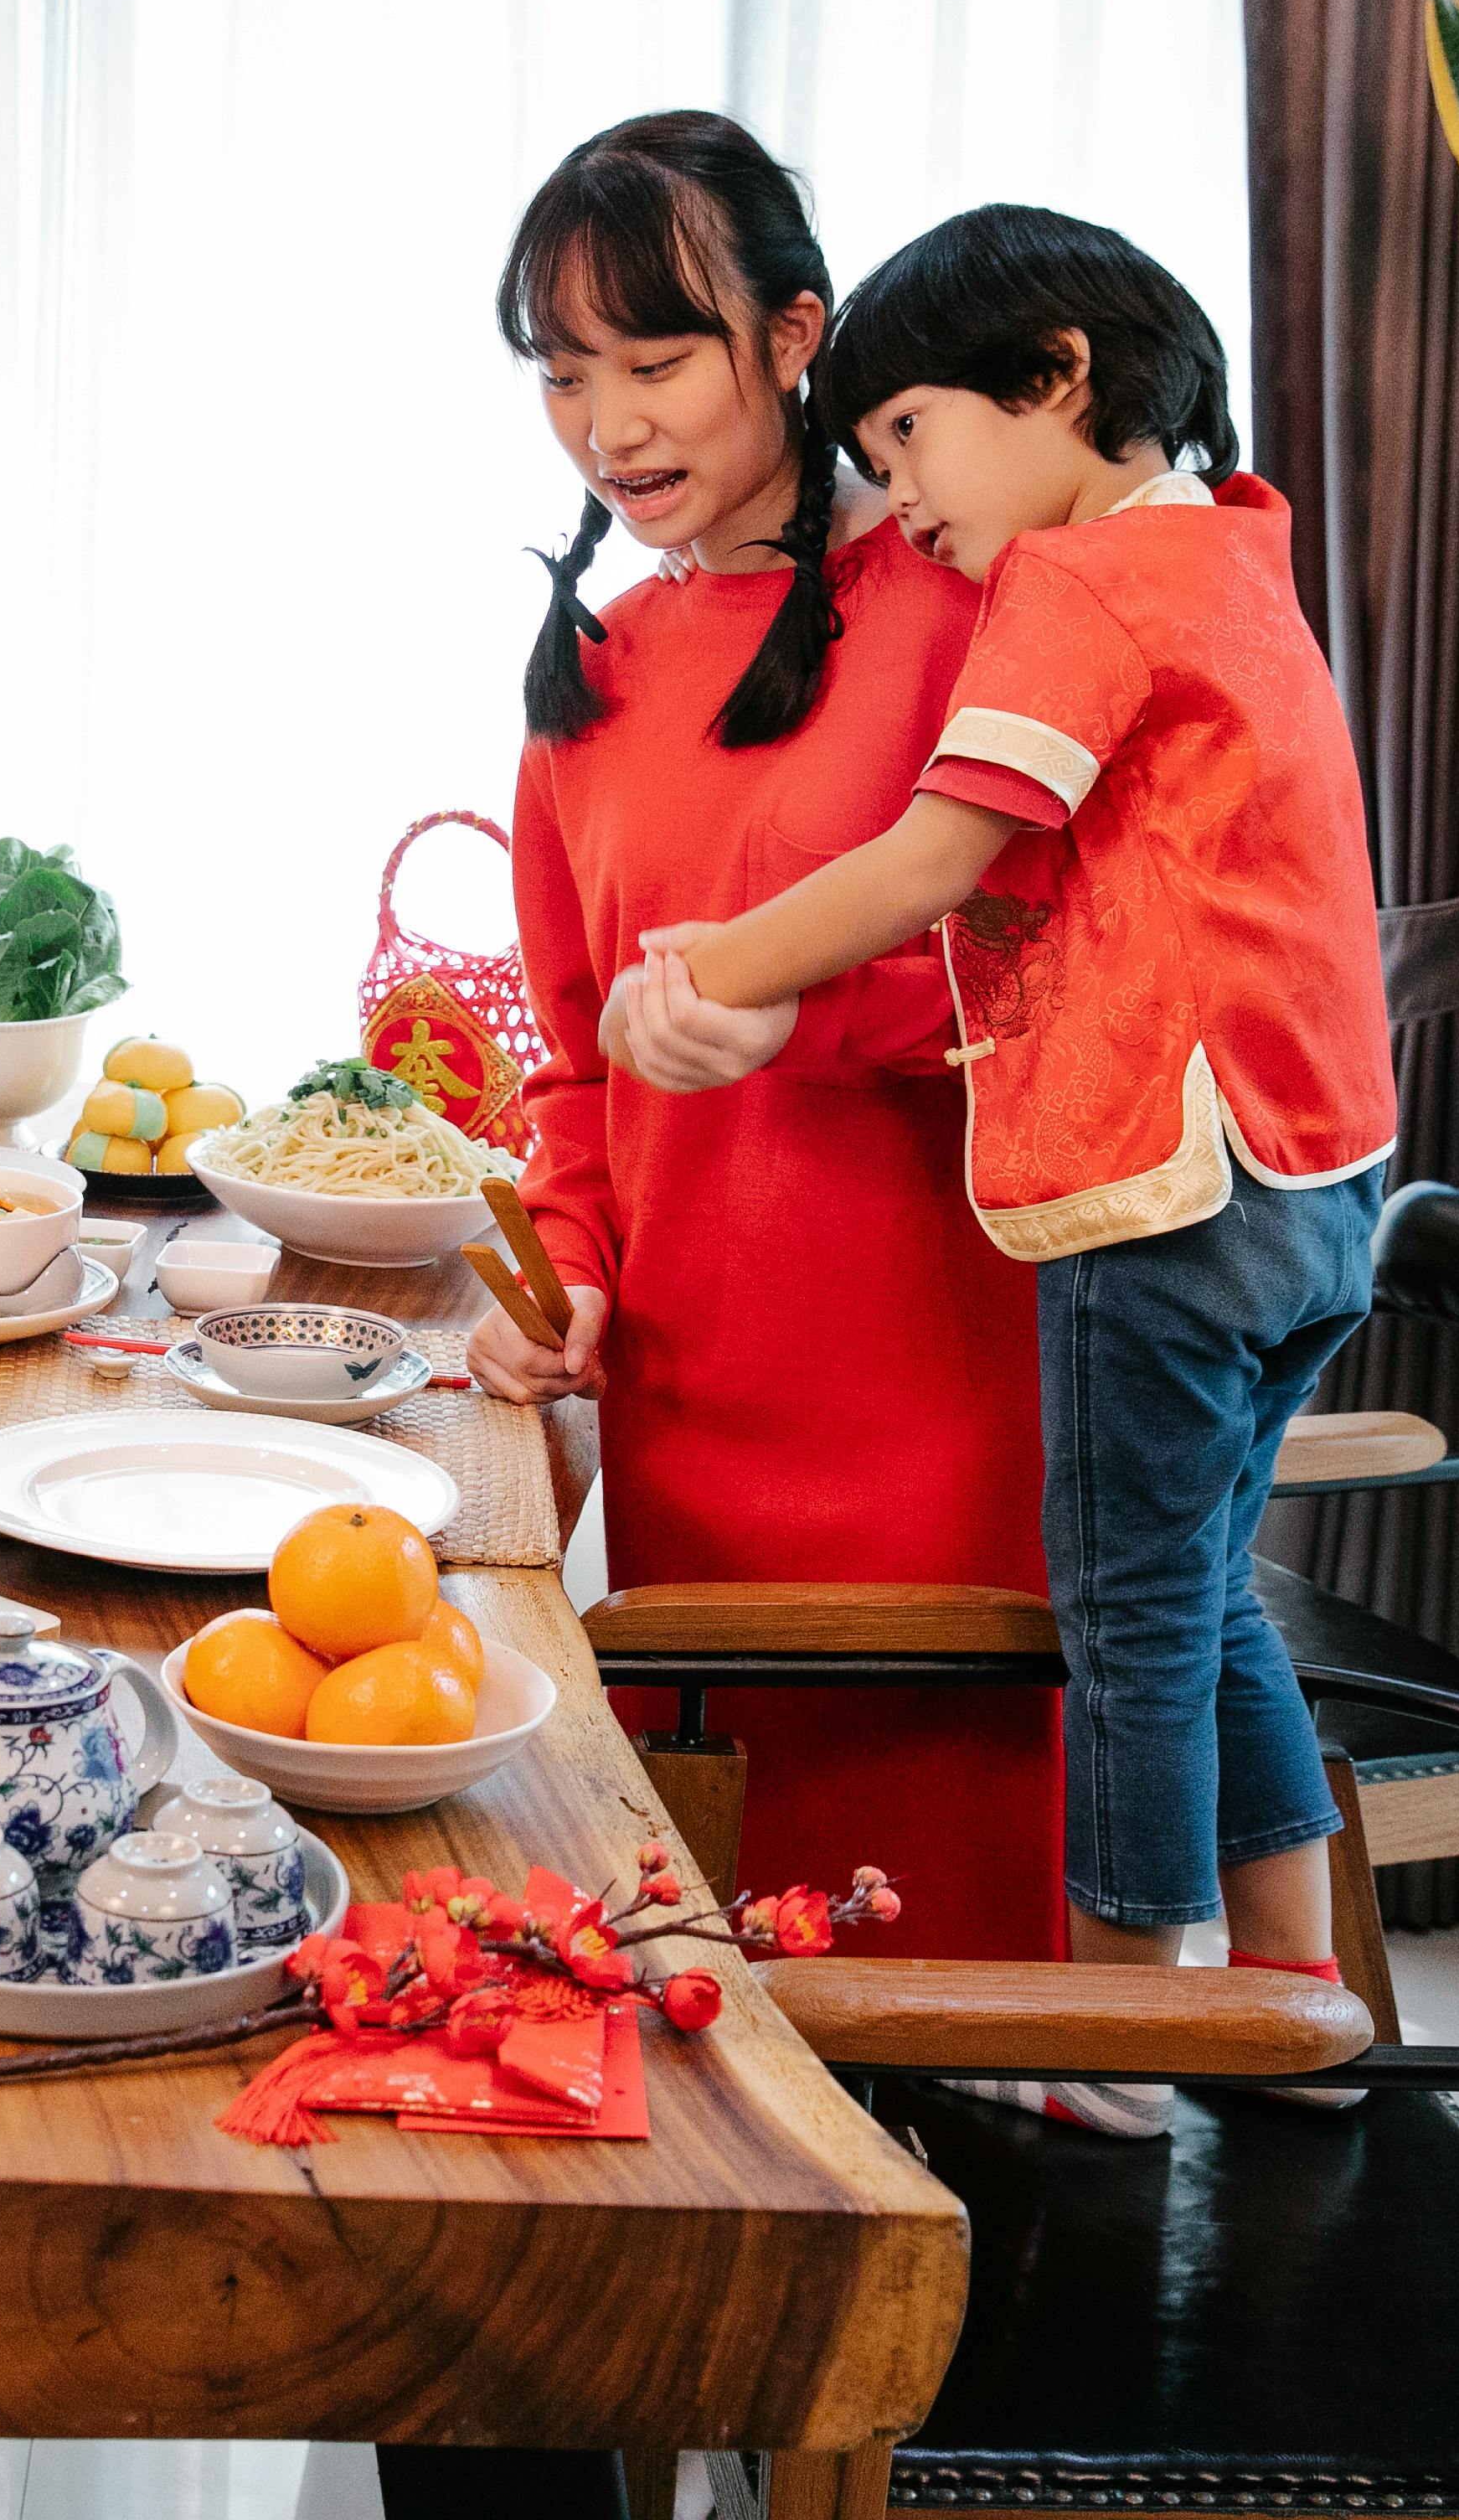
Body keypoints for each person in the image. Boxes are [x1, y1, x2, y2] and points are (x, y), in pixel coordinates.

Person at [611, 202, 1400, 2133]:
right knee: (1213, 1598)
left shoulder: (1079, 583)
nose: (900, 497)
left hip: (1167, 1189)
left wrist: (713, 967)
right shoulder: (1239, 551)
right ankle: (1292, 2004)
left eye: (909, 437)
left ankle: (1116, 2034)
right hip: (1320, 1183)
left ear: (1056, 380)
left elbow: (934, 857)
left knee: (1125, 1623)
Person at [467, 113, 1063, 1964]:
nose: (608, 426)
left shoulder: (973, 604)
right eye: (566, 376)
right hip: (688, 1415)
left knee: (954, 1982)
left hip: (941, 1405)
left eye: (657, 363)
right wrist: (565, 1267)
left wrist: (816, 1015)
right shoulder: (592, 679)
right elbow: (578, 1073)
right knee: (725, 1971)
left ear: (795, 336)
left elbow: (1064, 970)